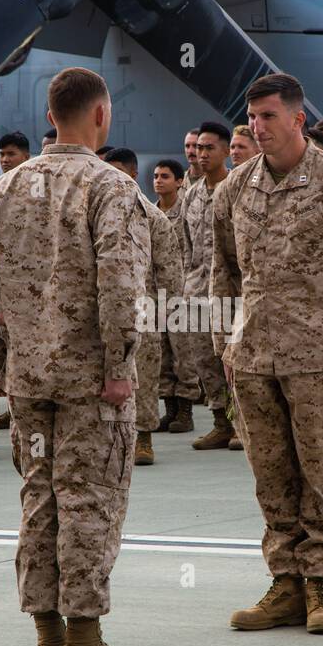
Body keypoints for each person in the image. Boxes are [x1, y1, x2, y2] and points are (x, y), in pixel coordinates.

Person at [0, 66, 150, 646]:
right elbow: (122, 281)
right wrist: (120, 364)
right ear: (101, 115)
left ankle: (48, 642)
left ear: (49, 116)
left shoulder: (7, 186)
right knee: (88, 501)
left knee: (40, 498)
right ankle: (85, 644)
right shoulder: (108, 187)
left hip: (31, 380)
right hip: (92, 381)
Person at [214, 73, 323, 634]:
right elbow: (223, 273)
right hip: (253, 357)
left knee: (321, 470)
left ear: (297, 119)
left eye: (268, 116)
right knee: (270, 473)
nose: (257, 127)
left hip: (317, 356)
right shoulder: (234, 189)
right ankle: (285, 583)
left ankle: (321, 586)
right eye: (251, 117)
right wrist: (226, 340)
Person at [105, 147, 184, 465]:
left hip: (144, 310)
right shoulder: (95, 212)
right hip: (105, 313)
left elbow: (169, 265)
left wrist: (168, 308)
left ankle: (143, 438)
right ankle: (110, 439)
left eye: (115, 171)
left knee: (146, 378)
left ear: (131, 174)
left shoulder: (151, 216)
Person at [181, 121, 236, 449]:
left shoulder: (236, 190)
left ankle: (241, 423)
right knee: (204, 359)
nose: (201, 154)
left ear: (226, 151)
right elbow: (186, 246)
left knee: (233, 360)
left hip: (229, 294)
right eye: (198, 148)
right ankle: (221, 422)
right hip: (196, 291)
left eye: (209, 148)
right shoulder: (192, 194)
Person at [150, 158, 196, 432]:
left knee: (184, 354)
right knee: (162, 354)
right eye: (156, 176)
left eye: (165, 176)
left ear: (179, 181)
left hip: (182, 294)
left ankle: (186, 410)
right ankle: (169, 408)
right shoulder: (151, 214)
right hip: (156, 295)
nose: (158, 180)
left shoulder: (186, 212)